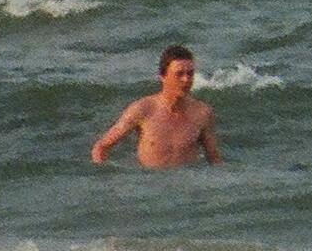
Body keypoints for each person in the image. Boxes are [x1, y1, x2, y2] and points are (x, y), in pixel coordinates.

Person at [91, 45, 222, 168]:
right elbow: (101, 147)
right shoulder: (143, 109)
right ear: (163, 77)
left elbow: (214, 158)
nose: (186, 80)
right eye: (179, 74)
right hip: (150, 184)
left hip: (186, 183)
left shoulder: (202, 113)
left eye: (190, 74)